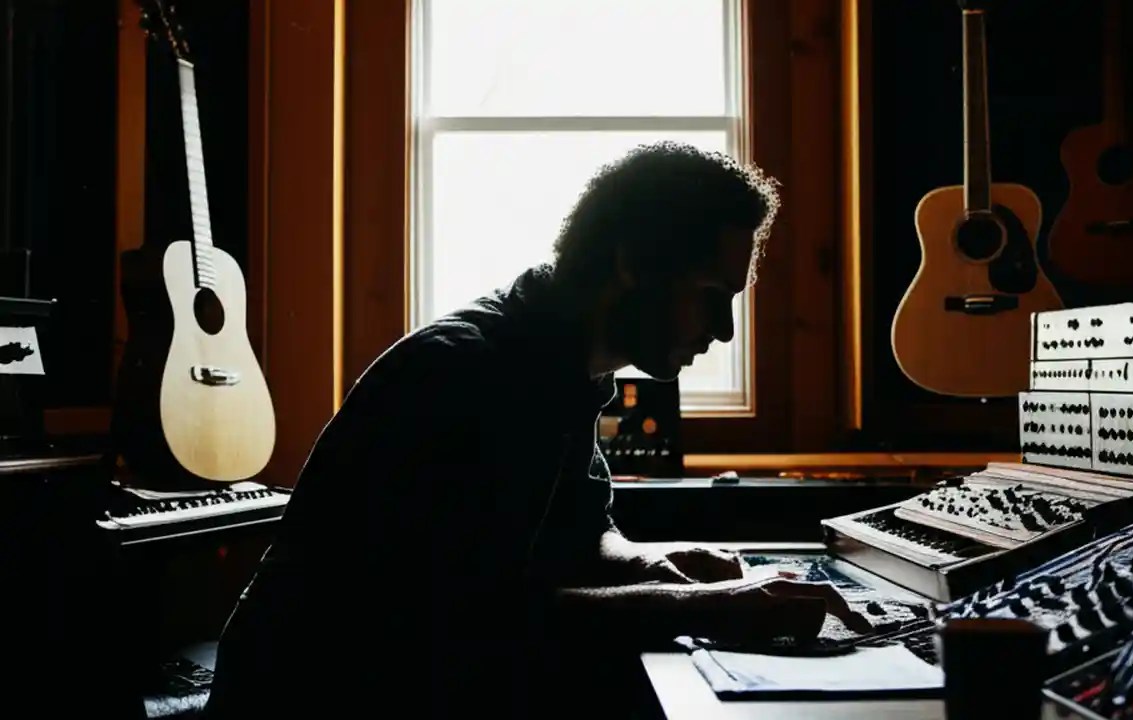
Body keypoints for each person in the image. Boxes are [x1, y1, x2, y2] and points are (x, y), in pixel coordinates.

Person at [204, 142, 860, 718]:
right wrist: (719, 606)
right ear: (632, 262)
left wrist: (659, 563)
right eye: (713, 295)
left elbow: (582, 536)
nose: (723, 331)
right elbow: (480, 616)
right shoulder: (461, 375)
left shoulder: (565, 365)